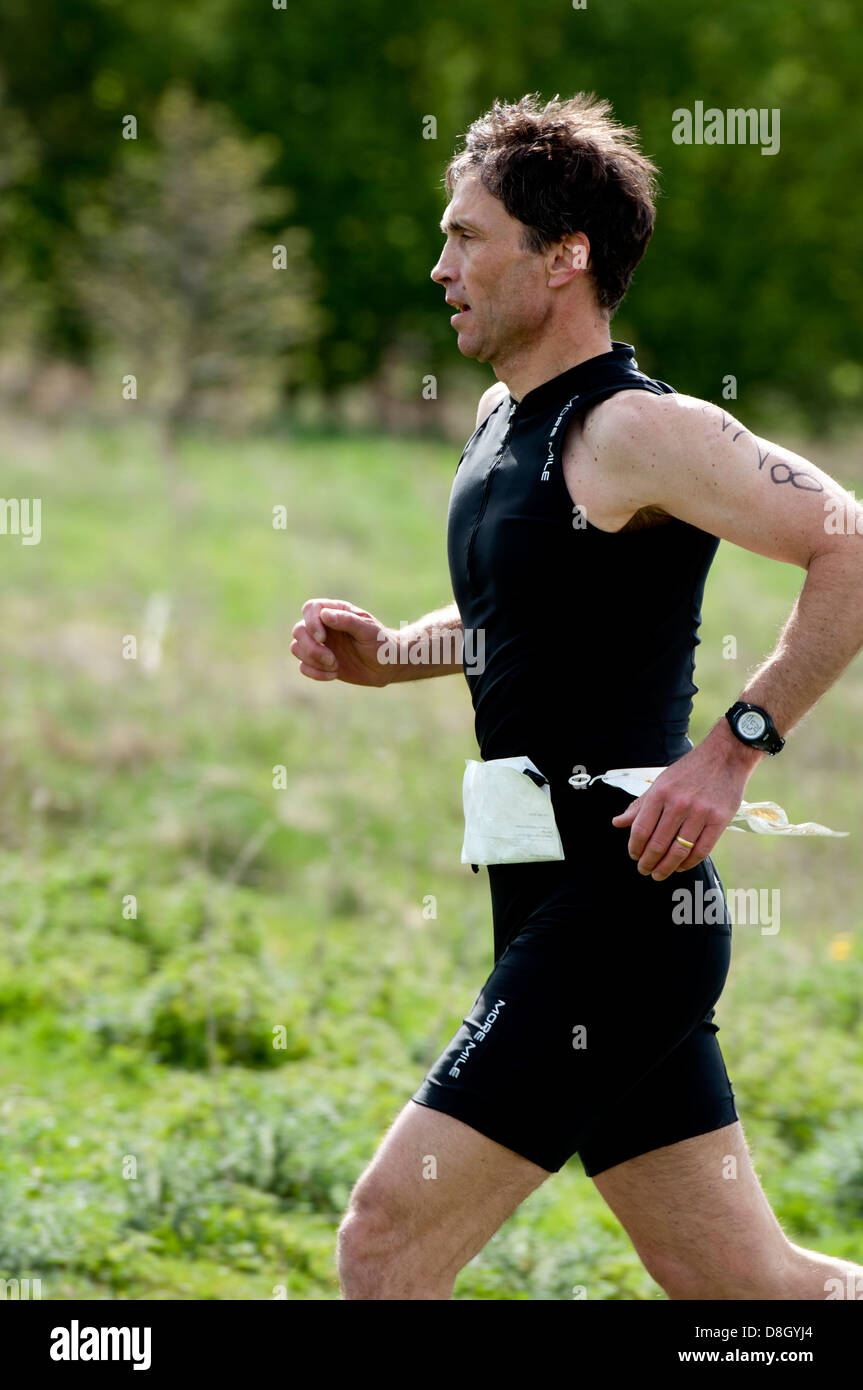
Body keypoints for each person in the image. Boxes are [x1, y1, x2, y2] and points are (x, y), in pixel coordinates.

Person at [291, 93, 863, 1301]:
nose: (438, 265)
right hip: (548, 896)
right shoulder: (507, 423)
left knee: (384, 1244)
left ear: (564, 257)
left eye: (466, 237)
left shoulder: (637, 427)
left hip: (618, 908)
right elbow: (522, 629)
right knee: (754, 1293)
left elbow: (846, 545)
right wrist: (387, 652)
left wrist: (733, 748)